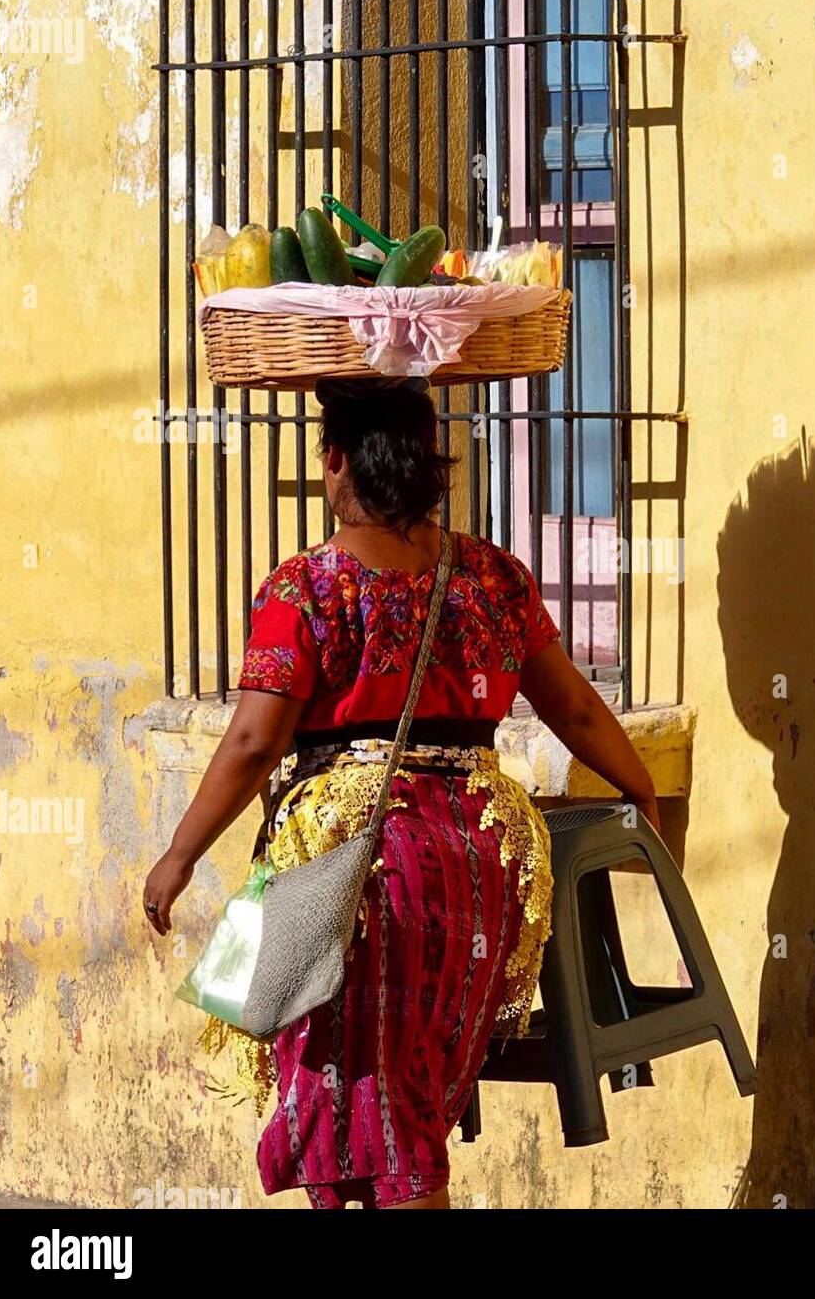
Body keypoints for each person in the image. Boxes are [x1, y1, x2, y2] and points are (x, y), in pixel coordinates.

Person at [143, 378, 659, 1209]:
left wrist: (179, 853)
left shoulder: (307, 588)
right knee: (402, 1104)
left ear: (336, 460)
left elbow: (252, 740)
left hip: (362, 868)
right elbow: (574, 706)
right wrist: (642, 792)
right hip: (478, 862)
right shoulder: (495, 576)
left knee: (364, 1104)